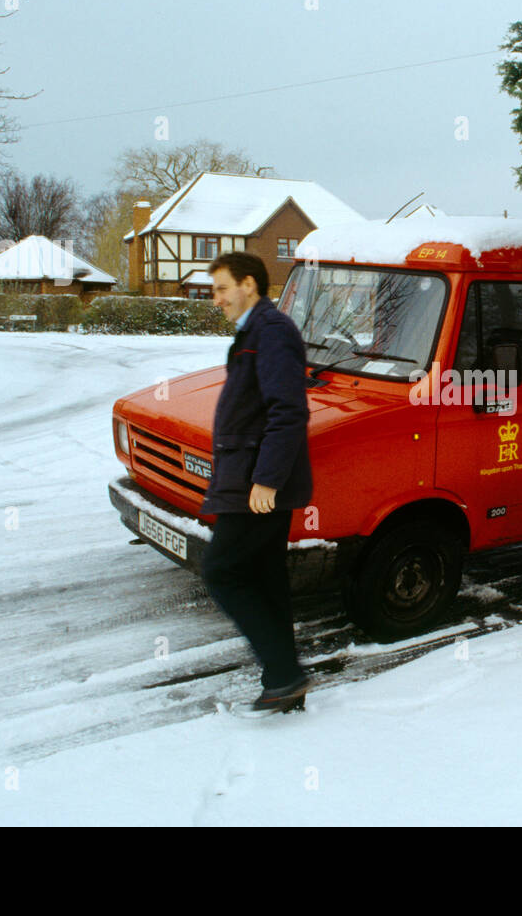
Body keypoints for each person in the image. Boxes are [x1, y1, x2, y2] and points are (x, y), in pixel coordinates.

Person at [199, 251, 313, 714]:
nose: (217, 299)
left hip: (256, 485)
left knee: (222, 571)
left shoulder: (271, 332)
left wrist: (266, 481)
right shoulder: (253, 332)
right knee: (265, 579)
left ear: (249, 284)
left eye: (222, 288)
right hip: (247, 478)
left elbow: (289, 411)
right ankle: (283, 680)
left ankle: (285, 675)